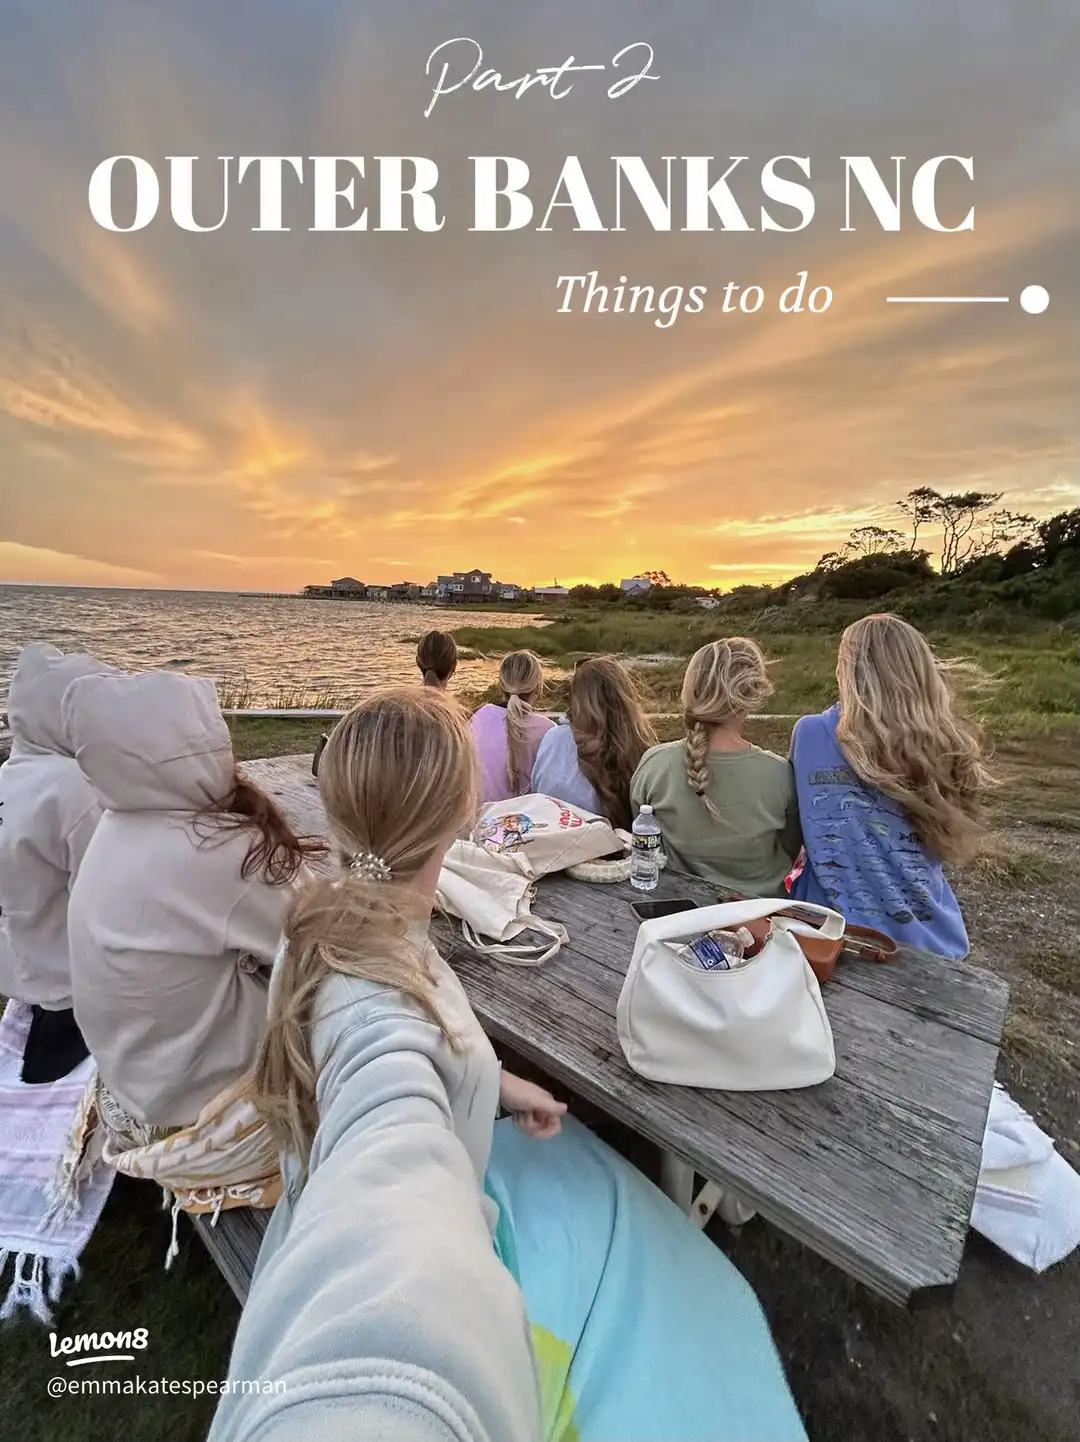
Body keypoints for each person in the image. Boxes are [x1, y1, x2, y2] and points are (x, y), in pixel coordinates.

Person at [228, 687, 806, 1442]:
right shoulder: (382, 995)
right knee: (708, 1300)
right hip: (456, 1238)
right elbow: (388, 1137)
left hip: (392, 1193)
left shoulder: (325, 926)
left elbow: (396, 1055)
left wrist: (493, 1079)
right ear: (462, 813)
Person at [62, 670, 323, 1222]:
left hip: (133, 1082)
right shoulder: (215, 849)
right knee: (332, 1006)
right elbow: (316, 934)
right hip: (198, 1108)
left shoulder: (115, 826)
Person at [789, 613, 990, 957]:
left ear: (847, 671)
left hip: (825, 933)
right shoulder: (947, 745)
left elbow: (795, 832)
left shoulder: (810, 733)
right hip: (928, 938)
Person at [0, 644, 114, 1084]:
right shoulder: (75, 790)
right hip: (65, 972)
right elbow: (106, 885)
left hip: (16, 954)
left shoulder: (11, 777)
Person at [631, 638, 801, 893]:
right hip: (762, 920)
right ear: (752, 693)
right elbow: (789, 850)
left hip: (678, 912)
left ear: (690, 692)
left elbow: (643, 835)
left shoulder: (655, 765)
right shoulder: (781, 775)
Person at [531, 656, 656, 827]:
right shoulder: (640, 752)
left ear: (575, 699)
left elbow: (537, 791)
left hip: (552, 845)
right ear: (624, 700)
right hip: (614, 849)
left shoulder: (553, 739)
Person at [470, 651, 554, 802]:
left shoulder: (480, 716)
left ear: (501, 685)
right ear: (537, 688)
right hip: (524, 819)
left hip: (478, 816)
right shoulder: (548, 730)